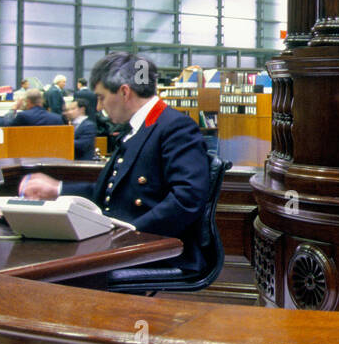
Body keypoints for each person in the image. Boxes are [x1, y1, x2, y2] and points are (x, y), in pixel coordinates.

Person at [19, 53, 214, 277]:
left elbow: (187, 199)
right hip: (125, 242)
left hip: (155, 248)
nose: (100, 106)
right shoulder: (138, 128)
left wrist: (129, 234)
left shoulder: (175, 127)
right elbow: (108, 191)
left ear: (124, 92)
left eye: (101, 98)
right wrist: (57, 190)